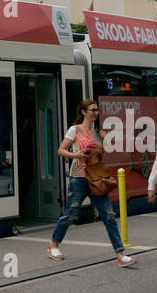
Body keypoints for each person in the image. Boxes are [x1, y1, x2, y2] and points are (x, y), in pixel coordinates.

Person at [47, 100, 136, 266]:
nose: (96, 113)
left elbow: (100, 155)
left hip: (96, 179)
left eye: (97, 110)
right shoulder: (75, 130)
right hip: (79, 178)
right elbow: (61, 150)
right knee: (71, 214)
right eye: (92, 110)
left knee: (108, 215)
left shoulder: (96, 132)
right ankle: (53, 244)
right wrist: (76, 155)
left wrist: (103, 140)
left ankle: (120, 254)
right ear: (83, 111)